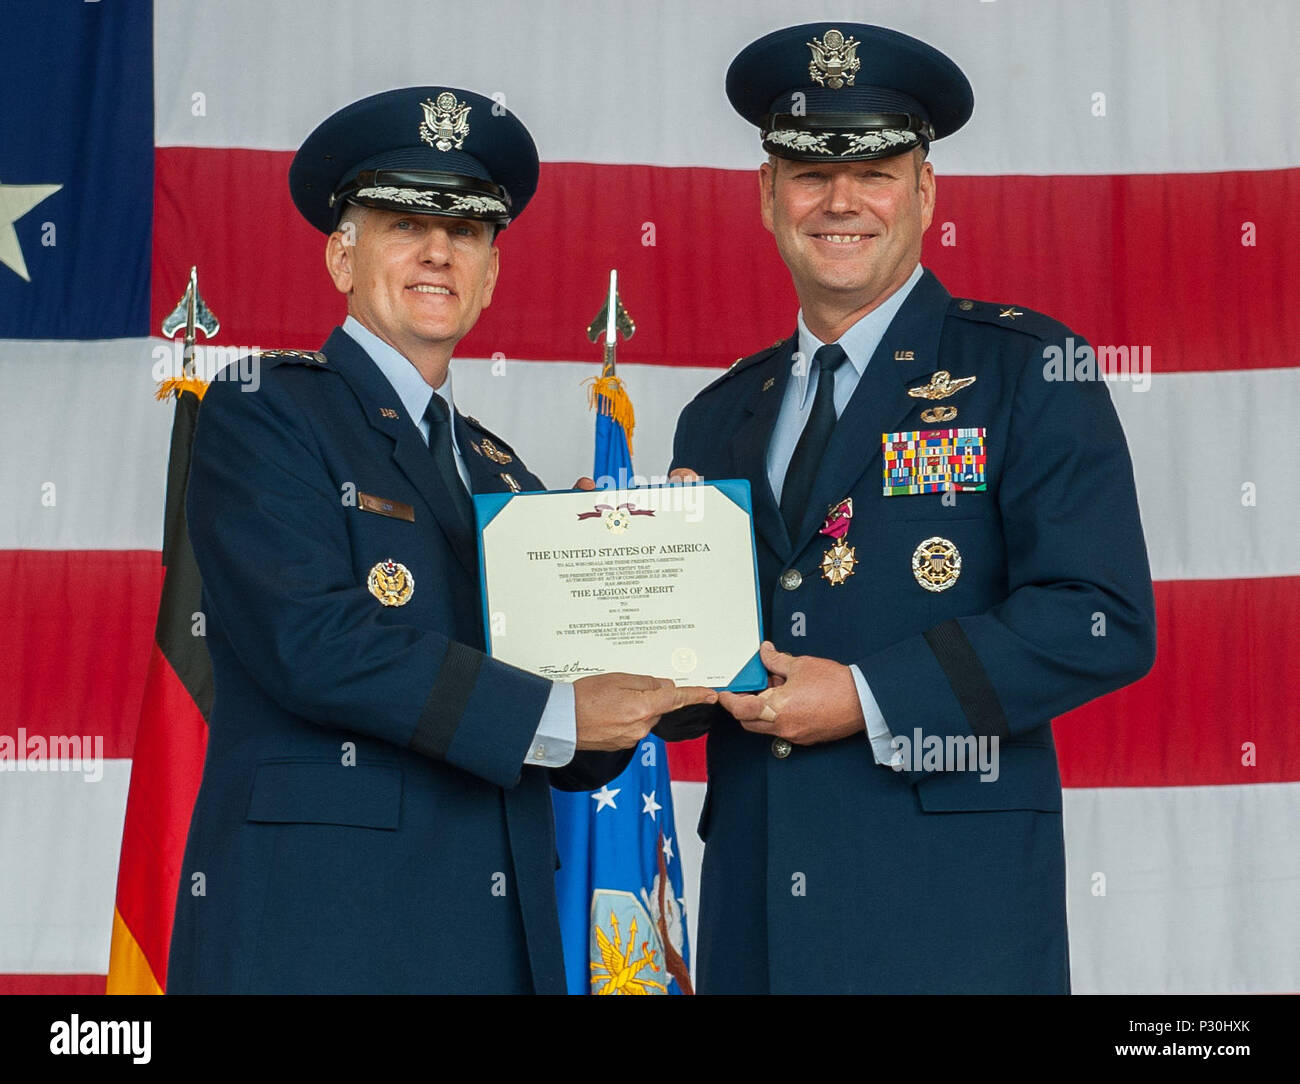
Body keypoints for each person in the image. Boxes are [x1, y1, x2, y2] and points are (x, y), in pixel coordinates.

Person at [167, 86, 715, 994]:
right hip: (319, 931)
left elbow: (568, 721)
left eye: (465, 231)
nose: (436, 251)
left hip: (496, 937)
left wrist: (667, 596)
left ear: (492, 272)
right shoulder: (264, 409)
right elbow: (313, 644)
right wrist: (558, 713)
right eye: (402, 223)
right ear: (342, 256)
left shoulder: (501, 474)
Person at [660, 24, 1156, 993]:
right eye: (806, 172)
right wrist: (626, 586)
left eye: (875, 170)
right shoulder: (718, 415)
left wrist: (864, 697)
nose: (839, 201)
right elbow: (701, 676)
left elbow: (1099, 618)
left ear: (924, 193)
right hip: (756, 915)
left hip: (948, 918)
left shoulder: (1024, 371)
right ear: (766, 196)